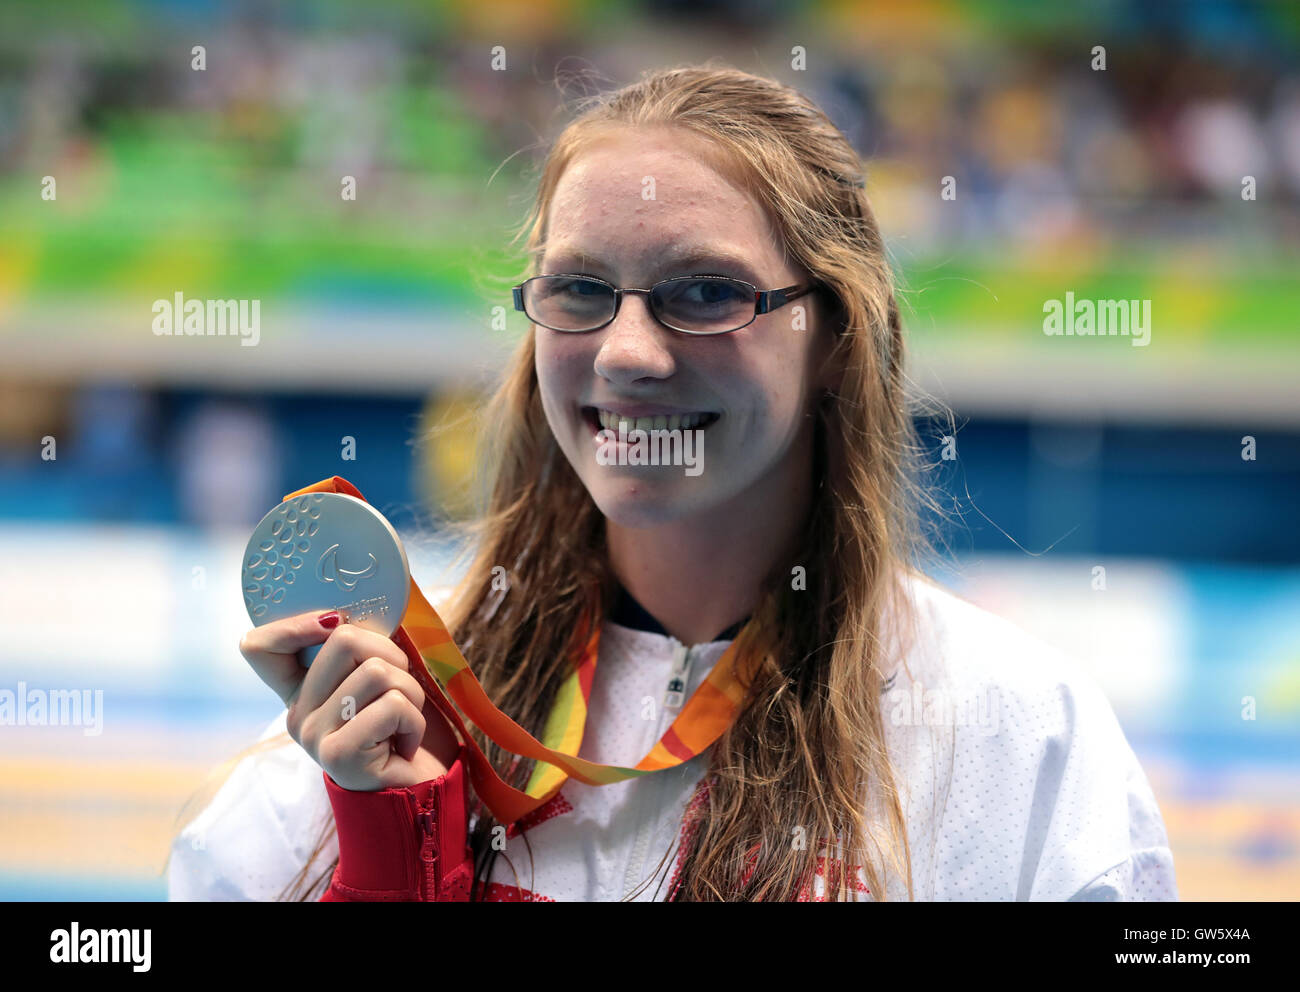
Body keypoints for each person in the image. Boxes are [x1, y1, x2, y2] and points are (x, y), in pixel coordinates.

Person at [166, 64, 1178, 902]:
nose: (628, 353)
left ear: (831, 334)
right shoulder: (376, 717)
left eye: (705, 292)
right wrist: (386, 862)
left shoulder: (1010, 731)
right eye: (578, 290)